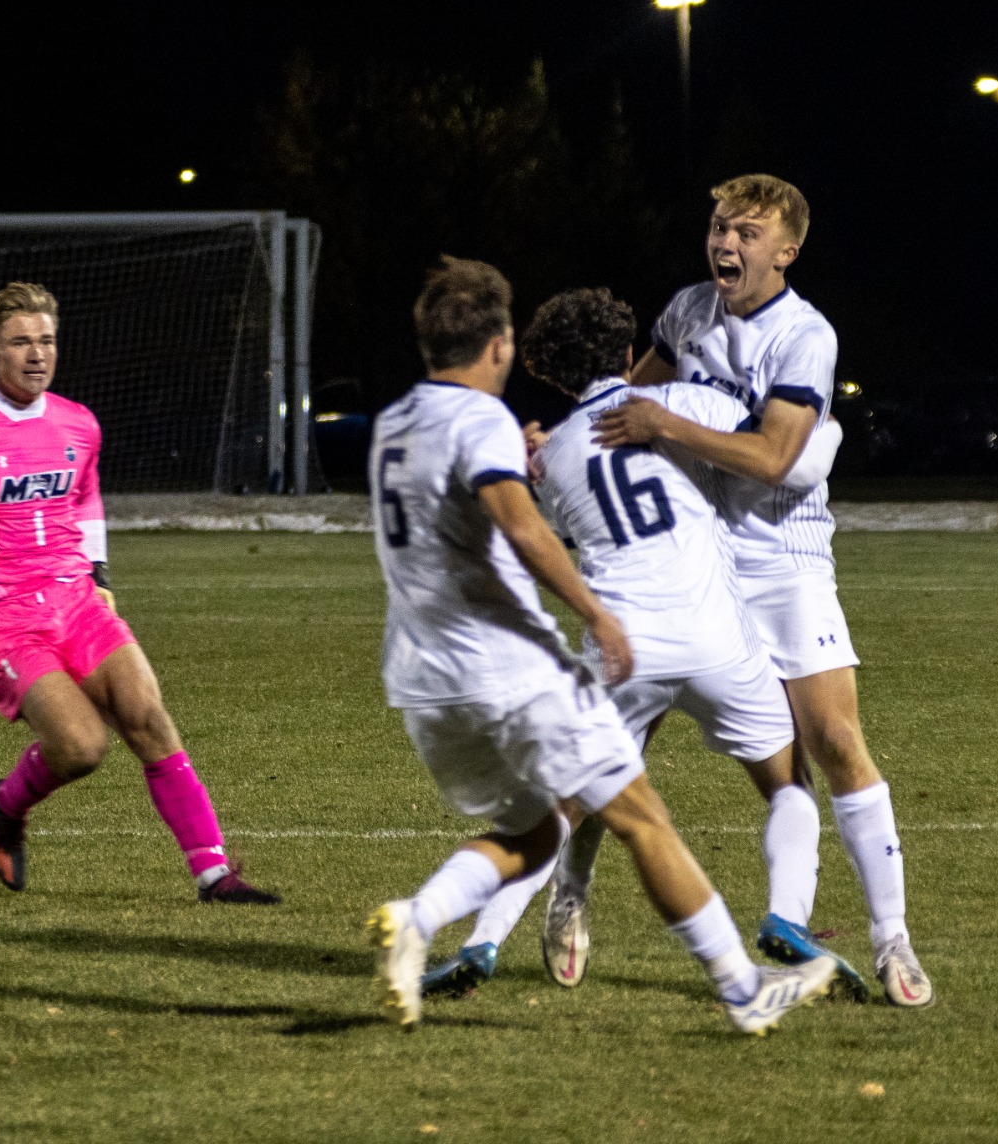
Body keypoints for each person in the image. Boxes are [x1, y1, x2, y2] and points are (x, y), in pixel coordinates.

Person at [363, 256, 834, 1034]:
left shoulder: (421, 429)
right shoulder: (672, 403)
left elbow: (507, 494)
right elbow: (776, 452)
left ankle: (447, 926)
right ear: (502, 347)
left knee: (546, 819)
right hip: (589, 653)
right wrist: (592, 608)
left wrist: (533, 457)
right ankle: (751, 982)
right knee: (682, 807)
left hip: (428, 673)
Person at [592, 175, 933, 1007]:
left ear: (787, 251)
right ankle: (566, 904)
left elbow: (775, 457)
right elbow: (631, 402)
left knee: (836, 742)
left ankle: (893, 941)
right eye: (718, 228)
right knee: (615, 734)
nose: (726, 245)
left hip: (783, 559)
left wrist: (666, 425)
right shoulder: (686, 311)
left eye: (746, 233)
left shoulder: (804, 336)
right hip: (696, 561)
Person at [0, 281, 278, 904]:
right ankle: (5, 803)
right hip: (3, 618)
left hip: (77, 599)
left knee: (149, 718)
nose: (37, 354)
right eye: (20, 341)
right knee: (81, 748)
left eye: (47, 340)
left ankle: (214, 875)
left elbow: (85, 499)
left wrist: (100, 576)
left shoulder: (79, 423)